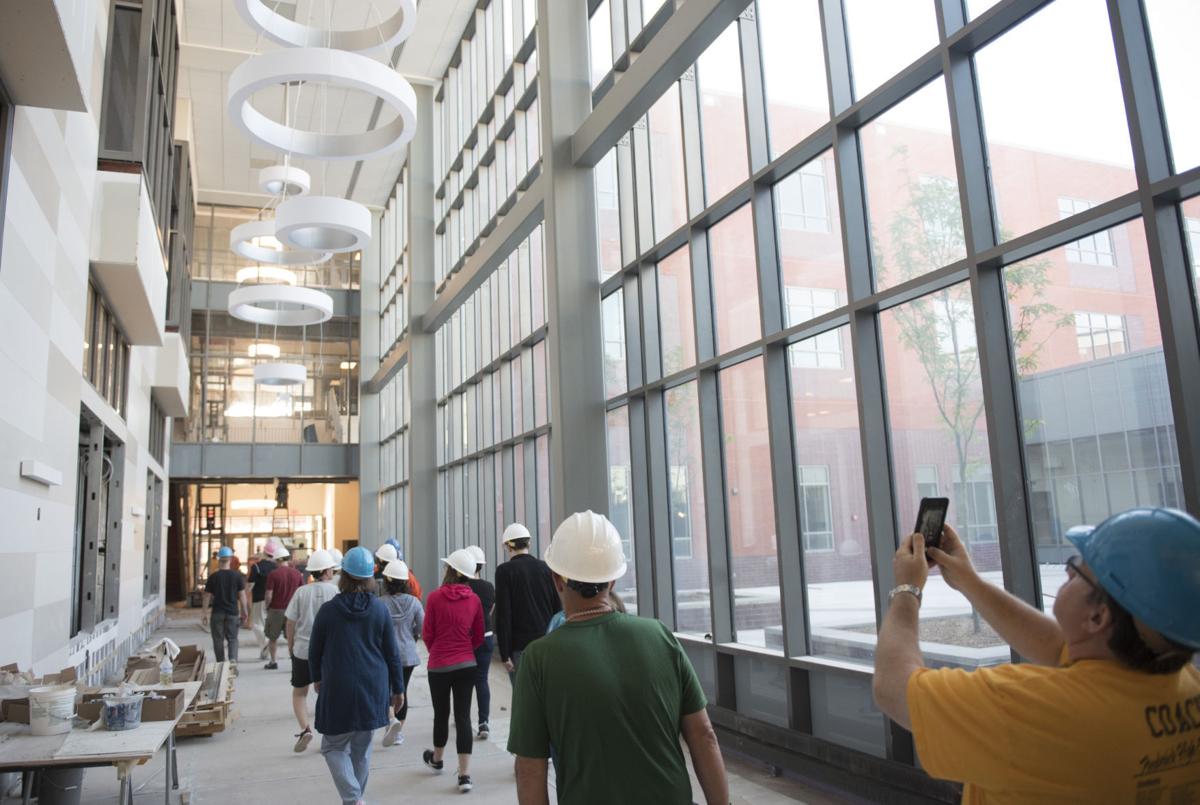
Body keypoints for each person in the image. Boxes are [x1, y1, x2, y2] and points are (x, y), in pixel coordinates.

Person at [872, 507, 1200, 803]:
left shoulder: (1031, 708)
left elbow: (893, 688)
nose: (1068, 573)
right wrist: (968, 580)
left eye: (1077, 569)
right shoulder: (1184, 683)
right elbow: (1057, 646)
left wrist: (907, 590)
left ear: (1098, 617)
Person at [508, 511, 728, 805]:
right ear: (612, 580)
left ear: (557, 580)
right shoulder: (660, 636)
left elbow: (529, 770)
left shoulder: (538, 659)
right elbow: (704, 736)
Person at [308, 546, 406, 805]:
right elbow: (392, 653)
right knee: (361, 749)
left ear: (343, 576)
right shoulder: (379, 610)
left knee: (332, 746)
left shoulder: (328, 611)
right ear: (369, 577)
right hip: (372, 687)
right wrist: (398, 689)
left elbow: (314, 650)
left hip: (338, 686)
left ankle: (353, 799)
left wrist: (316, 677)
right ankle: (355, 799)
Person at [422, 549, 485, 794]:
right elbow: (478, 635)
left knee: (441, 714)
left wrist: (438, 651)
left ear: (451, 571)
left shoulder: (434, 598)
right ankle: (464, 775)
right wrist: (464, 650)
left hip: (439, 665)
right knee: (463, 718)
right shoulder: (475, 600)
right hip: (466, 664)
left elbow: (427, 634)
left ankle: (437, 759)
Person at [284, 549, 339, 753]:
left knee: (300, 692)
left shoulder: (301, 592)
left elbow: (290, 622)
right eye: (331, 568)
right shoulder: (335, 592)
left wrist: (291, 646)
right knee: (328, 693)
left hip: (303, 650)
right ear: (325, 570)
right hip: (328, 652)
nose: (333, 571)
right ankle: (330, 733)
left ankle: (305, 729)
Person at [494, 523, 560, 683]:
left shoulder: (504, 571)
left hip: (520, 647)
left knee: (522, 694)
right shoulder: (546, 568)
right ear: (529, 543)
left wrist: (504, 653)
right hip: (547, 643)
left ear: (508, 546)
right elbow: (557, 608)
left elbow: (504, 614)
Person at [380, 558, 424, 748]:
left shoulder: (380, 603)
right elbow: (422, 628)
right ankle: (398, 733)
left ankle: (391, 720)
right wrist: (411, 635)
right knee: (402, 691)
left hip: (385, 654)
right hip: (407, 655)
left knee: (385, 690)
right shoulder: (414, 603)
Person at [464, 545, 496, 740]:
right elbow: (490, 611)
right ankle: (483, 722)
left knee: (464, 681)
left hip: (466, 639)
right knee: (482, 679)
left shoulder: (462, 587)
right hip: (486, 636)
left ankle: (463, 718)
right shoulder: (488, 587)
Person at [201, 546, 248, 664]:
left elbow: (206, 596)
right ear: (230, 559)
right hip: (232, 613)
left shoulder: (213, 577)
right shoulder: (237, 576)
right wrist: (244, 611)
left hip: (217, 613)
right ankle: (232, 662)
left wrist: (204, 613)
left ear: (219, 559)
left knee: (218, 640)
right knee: (233, 639)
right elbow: (242, 596)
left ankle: (221, 664)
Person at [264, 544, 302, 670]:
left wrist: (267, 606)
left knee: (272, 637)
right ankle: (295, 663)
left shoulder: (273, 574)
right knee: (292, 638)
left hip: (276, 609)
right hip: (293, 611)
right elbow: (301, 592)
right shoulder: (297, 574)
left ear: (277, 560)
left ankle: (273, 661)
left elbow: (269, 594)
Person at [248, 545, 278, 660]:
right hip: (274, 599)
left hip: (259, 599)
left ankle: (265, 643)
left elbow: (250, 585)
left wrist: (245, 595)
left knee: (256, 624)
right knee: (267, 624)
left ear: (264, 553)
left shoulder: (257, 566)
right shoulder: (276, 567)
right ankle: (264, 652)